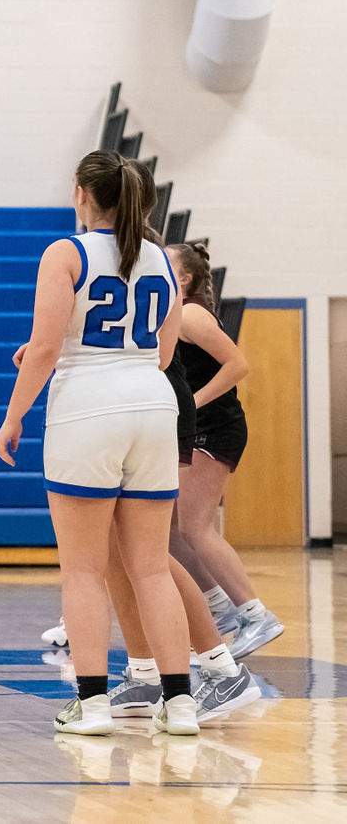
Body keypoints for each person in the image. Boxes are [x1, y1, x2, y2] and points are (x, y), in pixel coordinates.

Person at [0, 151, 196, 737]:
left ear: (83, 194)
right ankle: (181, 704)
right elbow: (162, 352)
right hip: (153, 405)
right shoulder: (162, 258)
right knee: (152, 569)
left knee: (83, 571)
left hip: (87, 407)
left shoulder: (66, 252)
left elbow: (45, 348)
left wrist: (13, 416)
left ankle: (92, 704)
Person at [166, 242, 284, 659]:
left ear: (185, 279)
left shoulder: (191, 314)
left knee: (195, 527)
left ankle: (255, 614)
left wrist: (192, 403)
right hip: (198, 430)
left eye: (166, 262)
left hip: (215, 429)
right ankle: (218, 605)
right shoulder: (172, 315)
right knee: (169, 528)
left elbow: (238, 364)